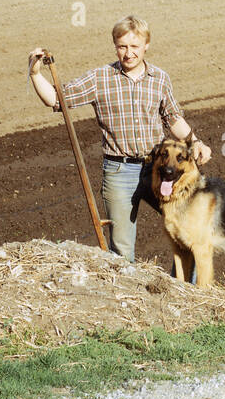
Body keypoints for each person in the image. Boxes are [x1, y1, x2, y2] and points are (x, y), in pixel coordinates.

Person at [27, 15, 212, 263]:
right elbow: (56, 99)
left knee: (191, 232)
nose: (128, 53)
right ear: (115, 45)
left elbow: (173, 118)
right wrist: (35, 73)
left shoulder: (160, 79)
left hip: (158, 168)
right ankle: (130, 300)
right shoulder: (100, 78)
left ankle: (186, 292)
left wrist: (195, 142)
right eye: (122, 46)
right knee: (122, 252)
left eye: (134, 46)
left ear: (146, 45)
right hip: (118, 171)